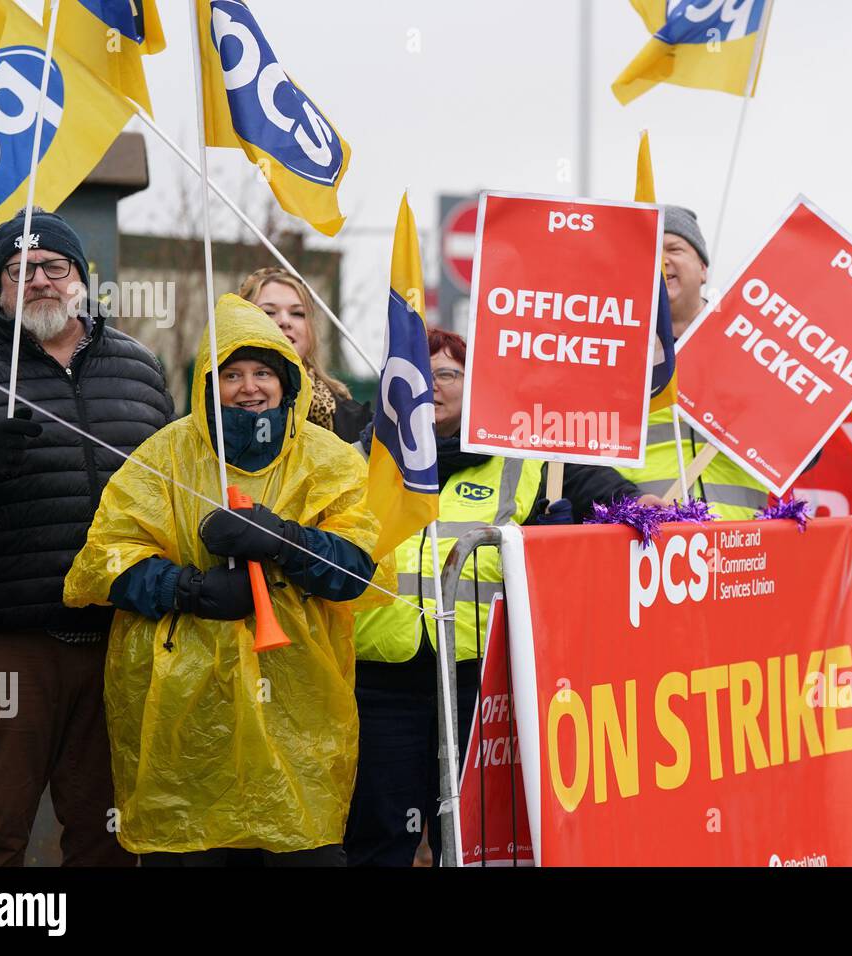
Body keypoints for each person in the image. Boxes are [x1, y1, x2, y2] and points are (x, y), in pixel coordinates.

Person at [64, 293, 392, 865]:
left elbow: (356, 569)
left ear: (287, 379)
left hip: (300, 705)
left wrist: (283, 540)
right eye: (232, 373)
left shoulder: (332, 460)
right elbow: (103, 561)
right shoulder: (163, 456)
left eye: (263, 371)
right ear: (206, 385)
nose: (249, 387)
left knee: (302, 846)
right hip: (186, 717)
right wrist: (189, 590)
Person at [0, 207, 174, 866]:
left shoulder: (142, 368)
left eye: (51, 266)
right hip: (5, 643)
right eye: (16, 270)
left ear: (80, 277)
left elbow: (173, 490)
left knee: (108, 839)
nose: (36, 280)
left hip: (119, 641)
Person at [344, 328, 639, 866]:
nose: (431, 387)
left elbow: (620, 500)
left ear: (477, 388)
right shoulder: (358, 457)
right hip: (381, 681)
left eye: (449, 374)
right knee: (379, 837)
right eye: (417, 373)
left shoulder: (525, 458)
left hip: (477, 680)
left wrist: (571, 534)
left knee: (475, 841)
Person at [616, 205, 806, 518]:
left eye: (674, 248)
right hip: (648, 543)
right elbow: (581, 461)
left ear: (703, 269)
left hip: (742, 545)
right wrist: (629, 500)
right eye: (649, 252)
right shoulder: (614, 352)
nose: (661, 261)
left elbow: (804, 453)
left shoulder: (753, 347)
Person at [238, 266, 371, 442]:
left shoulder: (352, 420)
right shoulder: (218, 401)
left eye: (297, 313)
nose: (285, 321)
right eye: (269, 312)